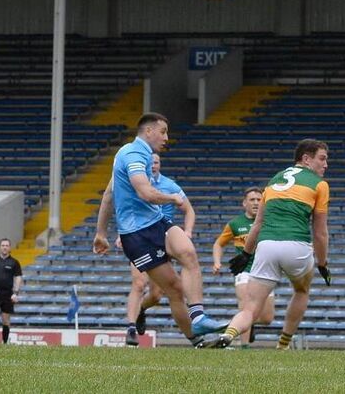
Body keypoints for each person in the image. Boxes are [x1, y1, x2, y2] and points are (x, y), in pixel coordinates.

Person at [92, 113, 222, 345]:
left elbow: (109, 194)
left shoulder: (132, 153)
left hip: (157, 222)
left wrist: (101, 233)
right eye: (163, 132)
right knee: (173, 289)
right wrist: (172, 198)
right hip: (137, 234)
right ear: (148, 131)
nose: (166, 138)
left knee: (189, 253)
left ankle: (198, 315)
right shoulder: (133, 154)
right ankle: (197, 339)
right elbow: (144, 193)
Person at [211, 138, 331, 349]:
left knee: (250, 307)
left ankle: (229, 334)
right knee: (301, 291)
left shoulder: (274, 180)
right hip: (297, 246)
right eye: (322, 158)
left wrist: (246, 255)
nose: (325, 164)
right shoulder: (320, 184)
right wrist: (322, 263)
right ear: (306, 159)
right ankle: (283, 343)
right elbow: (320, 232)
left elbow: (257, 225)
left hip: (266, 247)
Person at [116, 152, 197, 346]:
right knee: (138, 283)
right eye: (149, 162)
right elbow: (124, 208)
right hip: (141, 239)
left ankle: (142, 309)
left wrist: (188, 231)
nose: (153, 165)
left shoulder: (169, 186)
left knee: (157, 294)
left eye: (156, 162)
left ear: (160, 165)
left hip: (164, 238)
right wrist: (122, 233)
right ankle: (131, 328)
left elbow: (189, 210)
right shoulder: (134, 183)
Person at [213, 186, 276, 345]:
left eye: (259, 200)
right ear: (244, 203)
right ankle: (244, 348)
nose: (256, 203)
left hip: (264, 272)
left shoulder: (270, 222)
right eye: (252, 200)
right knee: (245, 308)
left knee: (267, 318)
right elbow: (218, 244)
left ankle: (238, 325)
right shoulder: (235, 224)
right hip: (244, 272)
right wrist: (217, 262)